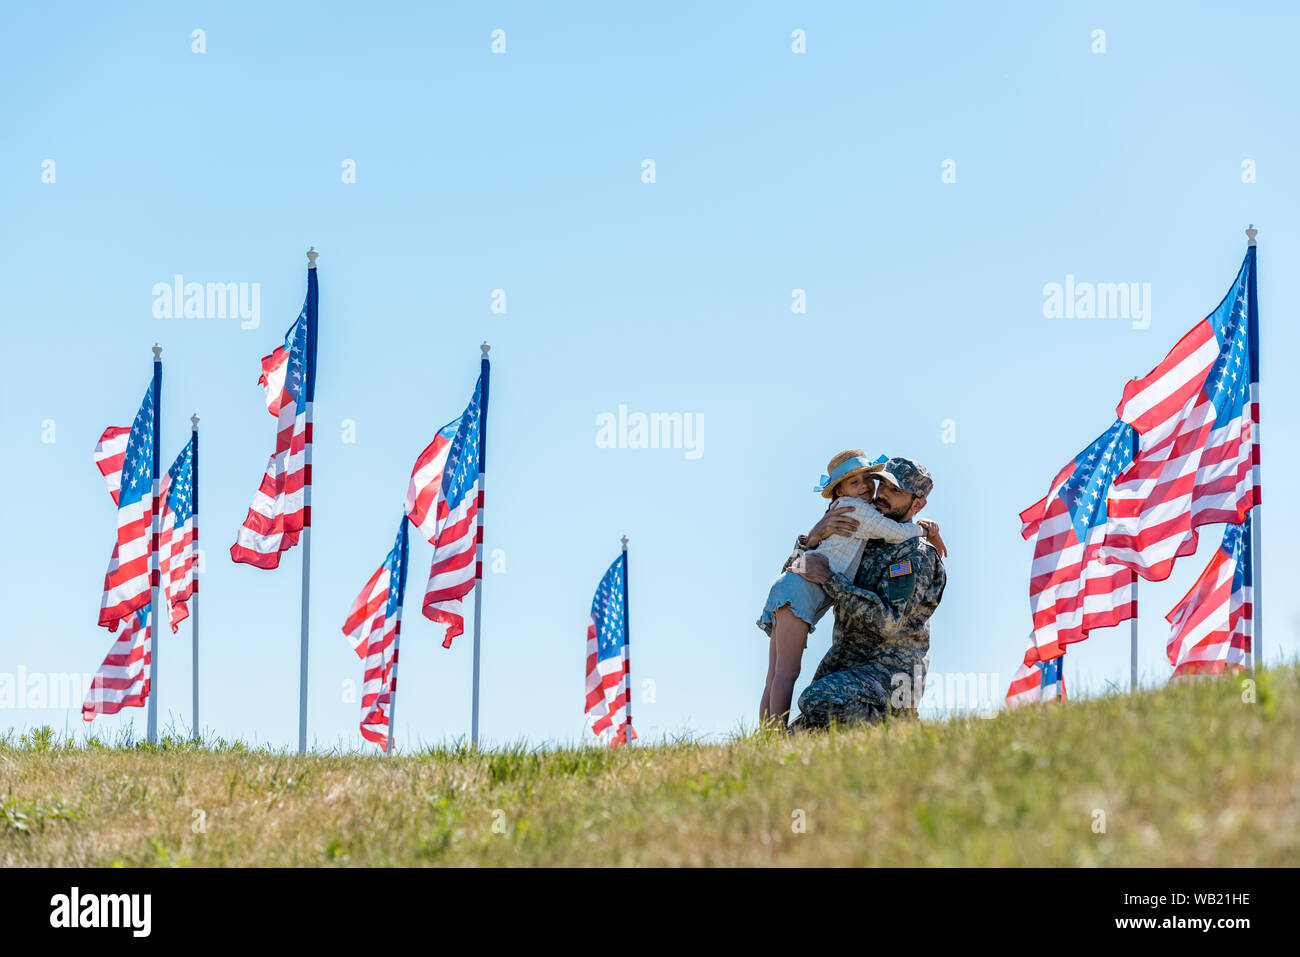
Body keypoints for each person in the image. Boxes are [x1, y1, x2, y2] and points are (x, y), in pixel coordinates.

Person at [757, 450, 945, 730]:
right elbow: (794, 574)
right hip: (844, 672)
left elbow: (888, 622)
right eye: (882, 484)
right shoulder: (864, 533)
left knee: (815, 698)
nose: (882, 493)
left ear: (918, 504)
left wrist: (831, 579)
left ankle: (898, 723)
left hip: (890, 678)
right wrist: (813, 537)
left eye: (896, 491)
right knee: (797, 734)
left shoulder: (915, 553)